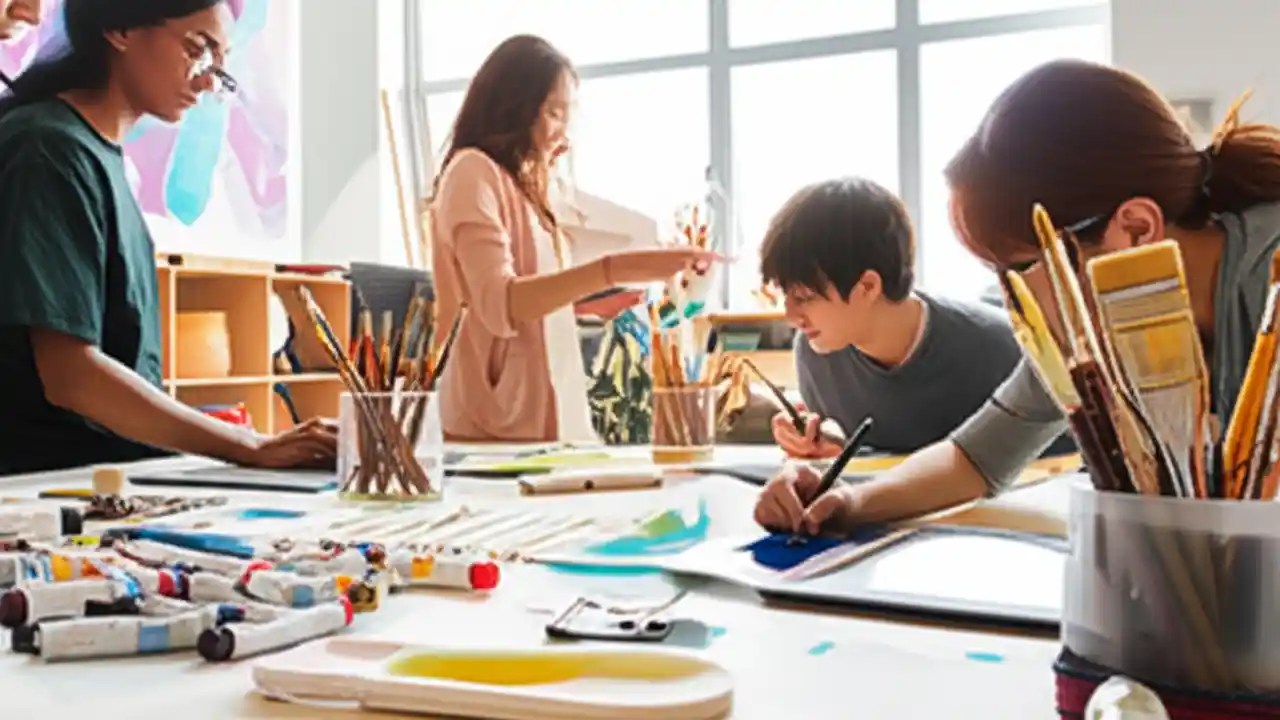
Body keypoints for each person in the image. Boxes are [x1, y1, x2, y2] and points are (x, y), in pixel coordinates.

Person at [756, 58, 1280, 535]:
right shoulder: (1104, 323)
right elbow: (976, 458)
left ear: (1137, 231)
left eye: (1018, 269)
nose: (1011, 306)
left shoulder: (1265, 281)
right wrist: (845, 502)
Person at [0, 0, 336, 475]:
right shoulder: (48, 149)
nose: (205, 80)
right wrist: (247, 445)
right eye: (198, 50)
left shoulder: (96, 155)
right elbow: (71, 375)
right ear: (120, 26)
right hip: (49, 487)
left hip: (106, 476)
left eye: (220, 66)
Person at [429, 34, 716, 443]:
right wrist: (609, 271)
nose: (563, 131)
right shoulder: (471, 173)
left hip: (545, 413)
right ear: (513, 108)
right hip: (492, 422)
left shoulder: (526, 189)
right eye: (553, 113)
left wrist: (586, 306)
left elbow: (531, 299)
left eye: (566, 115)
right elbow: (499, 303)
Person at [760, 176, 1067, 458]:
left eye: (803, 298)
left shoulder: (1000, 349)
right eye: (784, 296)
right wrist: (828, 450)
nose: (790, 316)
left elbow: (1065, 463)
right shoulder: (816, 353)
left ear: (867, 286)